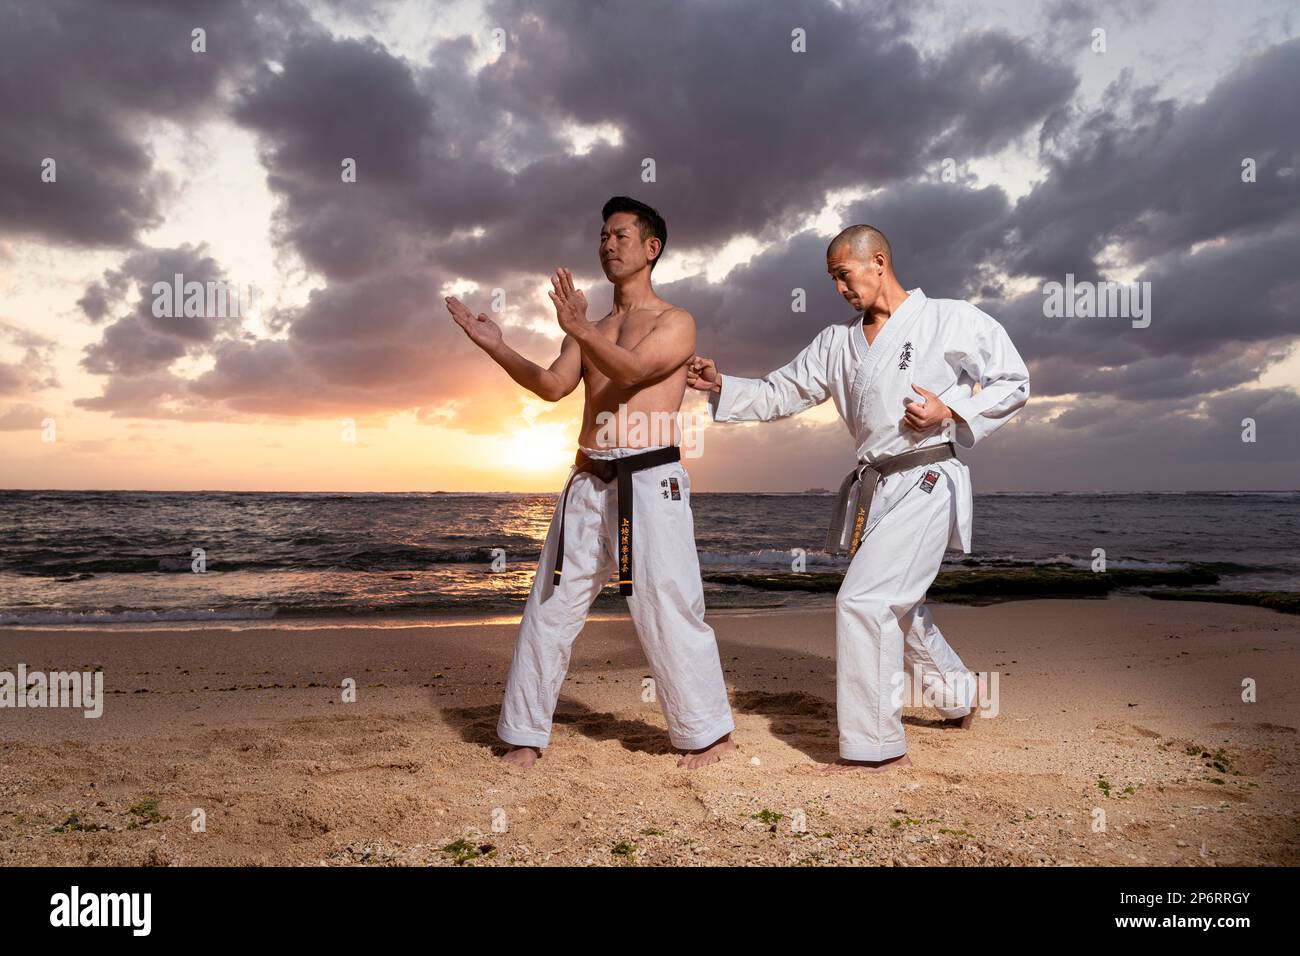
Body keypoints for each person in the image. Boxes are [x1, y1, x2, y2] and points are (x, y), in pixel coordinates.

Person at [687, 224, 1029, 773]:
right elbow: (783, 391)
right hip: (876, 486)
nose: (841, 289)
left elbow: (1013, 379)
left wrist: (950, 411)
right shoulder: (836, 342)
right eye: (832, 280)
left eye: (844, 275)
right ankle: (960, 697)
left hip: (926, 478)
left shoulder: (949, 317)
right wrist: (722, 384)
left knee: (864, 602)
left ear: (878, 262)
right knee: (900, 606)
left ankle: (877, 750)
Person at [446, 196, 736, 770]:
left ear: (651, 248)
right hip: (587, 479)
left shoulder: (675, 322)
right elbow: (554, 386)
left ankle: (708, 734)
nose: (607, 244)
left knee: (666, 605)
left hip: (650, 480)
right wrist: (498, 347)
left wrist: (577, 325)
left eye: (621, 235)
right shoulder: (591, 328)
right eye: (603, 235)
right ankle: (524, 735)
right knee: (549, 607)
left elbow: (630, 371)